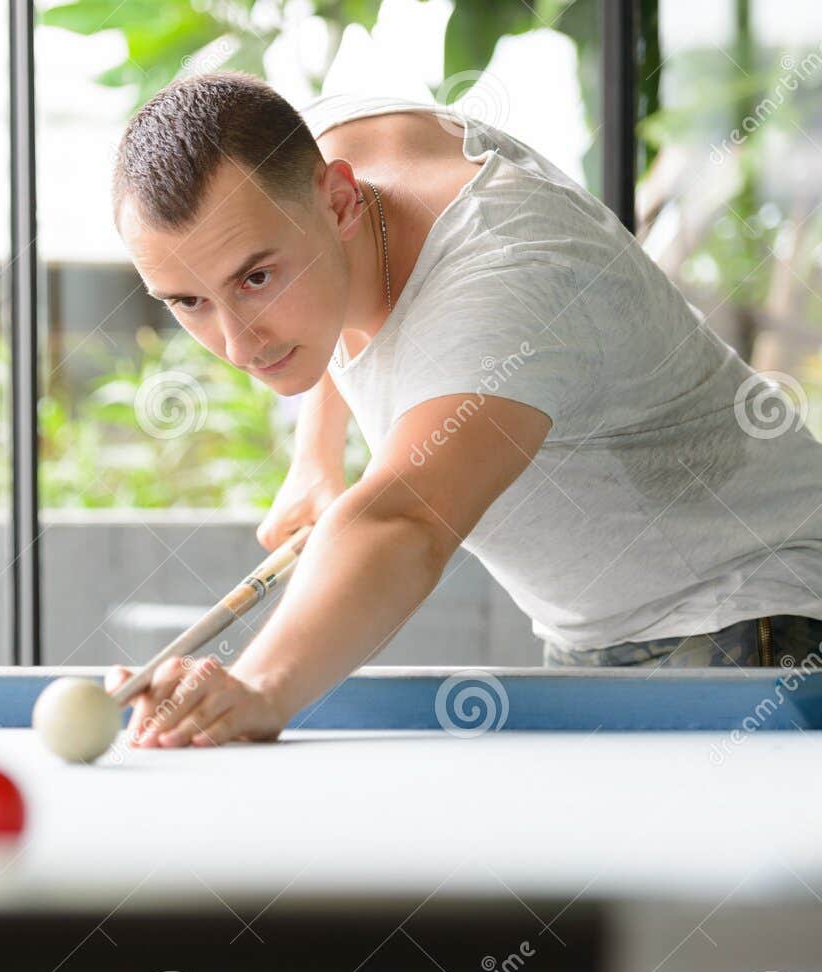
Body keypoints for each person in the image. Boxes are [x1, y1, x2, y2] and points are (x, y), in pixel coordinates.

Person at [105, 72, 822, 748]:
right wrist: (316, 457)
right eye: (189, 301)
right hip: (598, 626)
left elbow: (405, 521)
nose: (236, 342)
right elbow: (322, 297)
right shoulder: (315, 156)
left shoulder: (502, 283)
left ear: (340, 201)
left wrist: (257, 688)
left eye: (256, 280)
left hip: (754, 614)